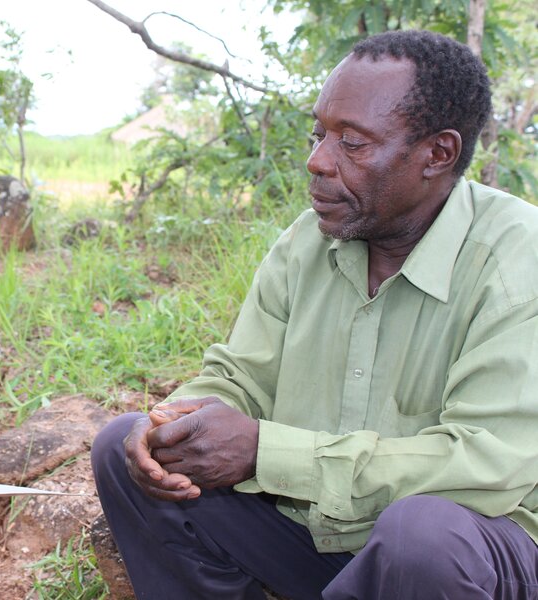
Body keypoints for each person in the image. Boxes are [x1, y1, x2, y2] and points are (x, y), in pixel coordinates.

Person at [92, 29, 538, 600]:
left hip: (467, 557)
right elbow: (240, 377)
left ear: (437, 153)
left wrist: (265, 451)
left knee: (422, 536)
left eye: (352, 142)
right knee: (121, 445)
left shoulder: (514, 262)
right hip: (320, 537)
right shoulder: (307, 242)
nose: (317, 161)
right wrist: (177, 425)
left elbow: (484, 464)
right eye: (319, 133)